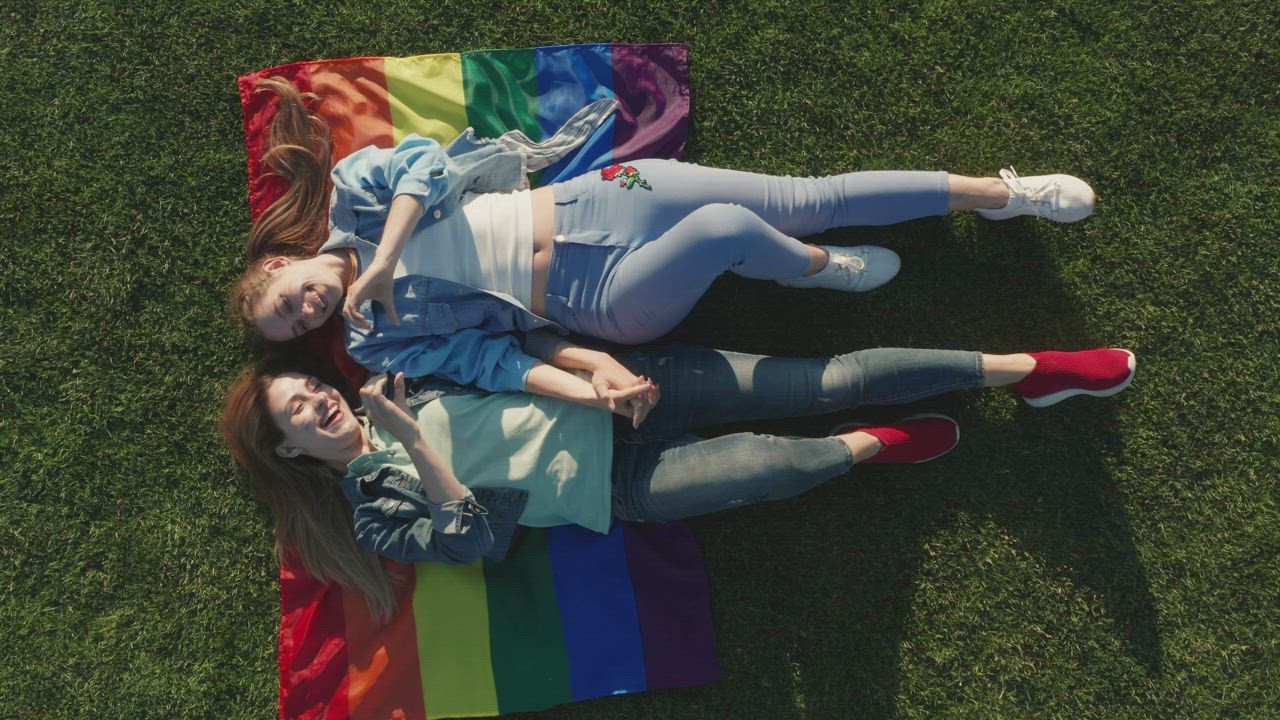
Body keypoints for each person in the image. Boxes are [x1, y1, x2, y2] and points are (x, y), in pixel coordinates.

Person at [230, 77, 1097, 398]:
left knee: (808, 194)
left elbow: (420, 165)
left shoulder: (355, 195)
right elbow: (486, 363)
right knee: (728, 229)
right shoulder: (382, 339)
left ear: (279, 264)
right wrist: (584, 378)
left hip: (593, 204)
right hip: (595, 299)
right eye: (299, 327)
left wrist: (382, 259)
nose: (311, 310)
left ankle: (998, 193)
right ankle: (814, 271)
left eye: (287, 299)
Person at [221, 337, 1135, 619]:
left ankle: (1030, 368)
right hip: (617, 489)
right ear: (295, 453)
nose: (315, 403)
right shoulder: (376, 512)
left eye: (309, 388)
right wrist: (414, 443)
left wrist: (599, 372)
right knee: (787, 462)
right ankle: (875, 445)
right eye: (295, 414)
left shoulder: (402, 369)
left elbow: (510, 342)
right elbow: (478, 540)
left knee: (823, 381)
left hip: (635, 393)